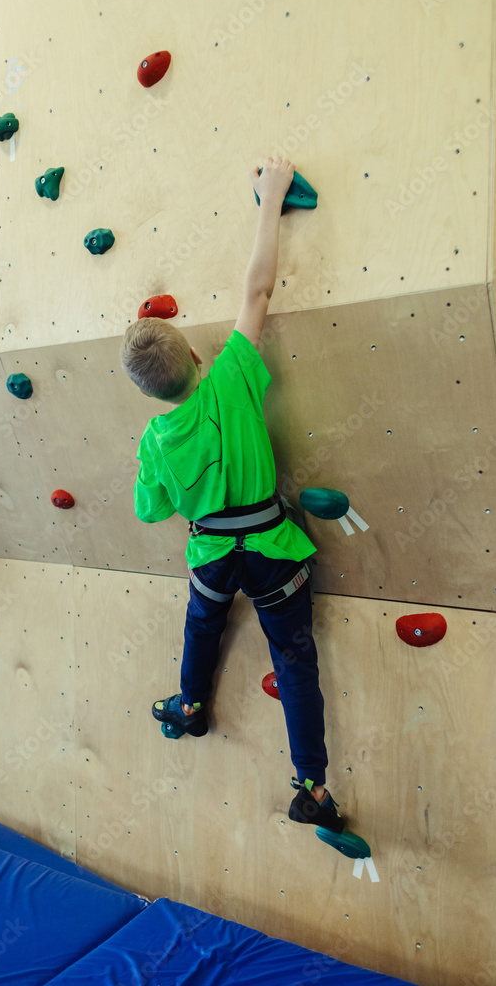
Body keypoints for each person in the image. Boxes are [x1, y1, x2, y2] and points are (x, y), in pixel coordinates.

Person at [120, 157, 343, 832]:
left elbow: (149, 509)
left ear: (144, 395)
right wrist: (269, 198)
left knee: (201, 623)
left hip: (212, 556)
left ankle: (190, 706)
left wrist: (152, 463)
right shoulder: (230, 378)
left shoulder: (155, 440)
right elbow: (257, 293)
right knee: (294, 660)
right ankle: (311, 786)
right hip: (273, 548)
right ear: (194, 357)